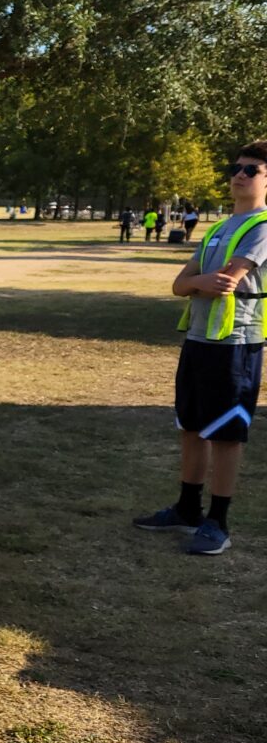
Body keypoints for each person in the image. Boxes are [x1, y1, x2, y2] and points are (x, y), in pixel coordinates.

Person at [134, 141, 267, 555]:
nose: (239, 174)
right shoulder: (218, 228)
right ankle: (187, 508)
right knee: (191, 426)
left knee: (226, 433)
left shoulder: (262, 227)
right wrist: (197, 283)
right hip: (198, 340)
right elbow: (182, 284)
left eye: (251, 170)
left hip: (236, 345)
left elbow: (225, 281)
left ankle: (218, 522)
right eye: (236, 167)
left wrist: (198, 282)